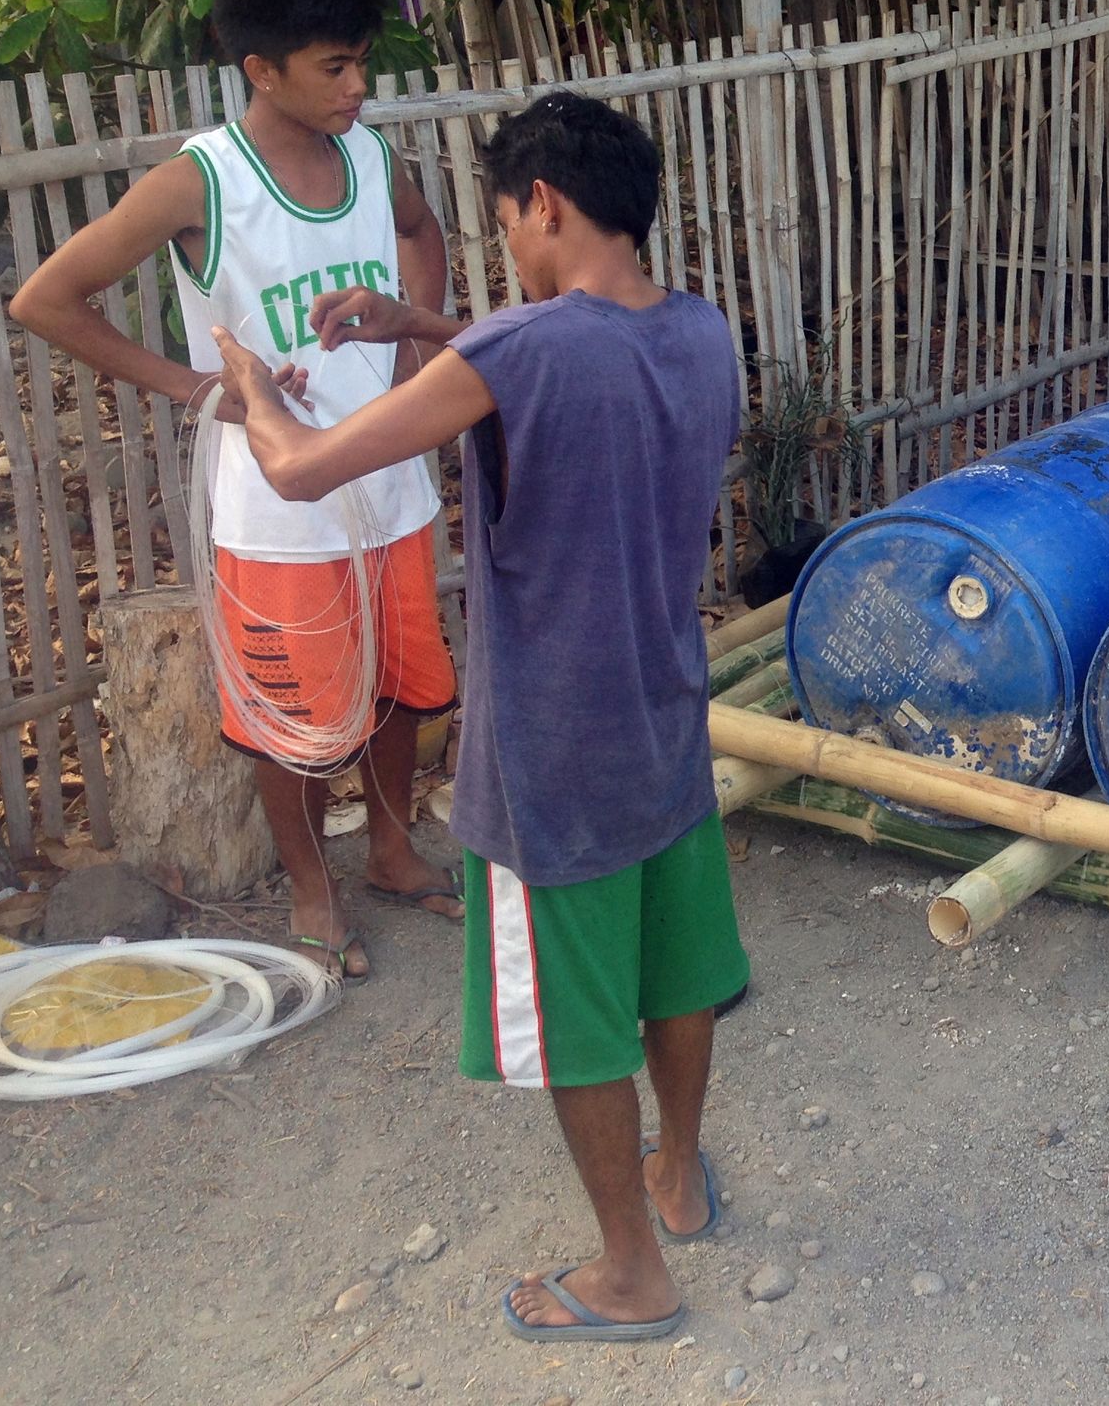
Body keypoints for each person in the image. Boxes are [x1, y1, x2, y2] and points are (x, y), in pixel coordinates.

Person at [209, 92, 744, 1344]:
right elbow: (551, 353)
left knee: (573, 1012)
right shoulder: (698, 332)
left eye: (508, 226)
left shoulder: (523, 353)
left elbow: (299, 468)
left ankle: (629, 1275)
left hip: (552, 749)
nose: (507, 252)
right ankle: (677, 1173)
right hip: (666, 715)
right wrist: (420, 325)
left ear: (543, 205)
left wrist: (248, 387)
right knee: (674, 968)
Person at [11, 0, 461, 980]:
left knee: (400, 687)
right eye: (335, 68)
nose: (358, 89)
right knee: (290, 716)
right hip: (275, 504)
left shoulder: (373, 162)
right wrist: (195, 388)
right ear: (262, 70)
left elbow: (422, 232)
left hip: (387, 484)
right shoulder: (199, 183)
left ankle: (392, 850)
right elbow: (43, 300)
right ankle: (312, 885)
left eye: (363, 66)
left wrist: (410, 360)